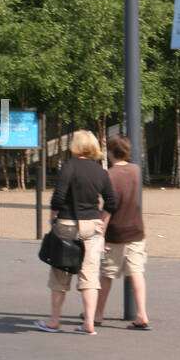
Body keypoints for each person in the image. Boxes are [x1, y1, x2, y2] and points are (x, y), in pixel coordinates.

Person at [35, 130, 116, 335]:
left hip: (68, 224)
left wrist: (53, 217)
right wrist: (102, 225)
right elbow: (111, 202)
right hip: (92, 225)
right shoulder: (101, 172)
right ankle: (89, 322)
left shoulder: (69, 167)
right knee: (89, 275)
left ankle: (54, 320)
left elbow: (58, 197)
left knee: (59, 273)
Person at [94, 134, 150, 330]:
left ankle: (98, 313)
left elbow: (109, 206)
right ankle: (142, 313)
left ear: (110, 152)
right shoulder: (135, 170)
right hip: (136, 228)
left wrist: (101, 233)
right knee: (137, 272)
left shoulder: (108, 175)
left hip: (116, 232)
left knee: (107, 274)